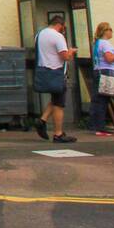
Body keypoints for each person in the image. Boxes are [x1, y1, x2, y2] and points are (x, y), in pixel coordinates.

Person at [34, 14, 77, 143]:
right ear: (60, 25)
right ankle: (58, 134)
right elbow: (65, 56)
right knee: (59, 103)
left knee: (55, 98)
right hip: (56, 72)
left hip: (43, 70)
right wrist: (71, 51)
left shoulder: (40, 34)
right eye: (63, 27)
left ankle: (42, 120)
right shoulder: (58, 37)